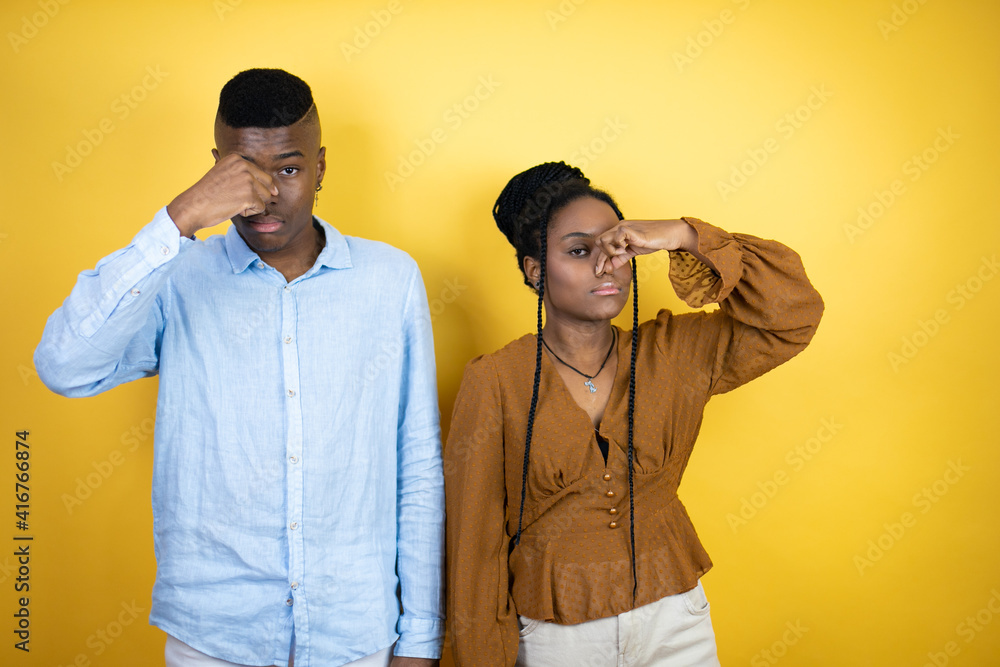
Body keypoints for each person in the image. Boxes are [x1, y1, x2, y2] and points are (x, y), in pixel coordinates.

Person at [35, 69, 444, 667]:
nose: (266, 194)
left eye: (288, 168)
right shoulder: (176, 277)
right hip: (214, 637)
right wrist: (180, 218)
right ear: (215, 168)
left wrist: (422, 638)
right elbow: (63, 365)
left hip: (355, 634)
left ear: (321, 167)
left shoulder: (390, 280)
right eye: (241, 172)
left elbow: (419, 464)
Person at [444, 162, 824, 666]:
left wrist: (684, 234)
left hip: (677, 624)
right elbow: (474, 544)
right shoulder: (496, 381)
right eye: (580, 251)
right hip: (558, 638)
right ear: (535, 270)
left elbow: (792, 313)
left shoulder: (674, 353)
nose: (606, 267)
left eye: (616, 250)